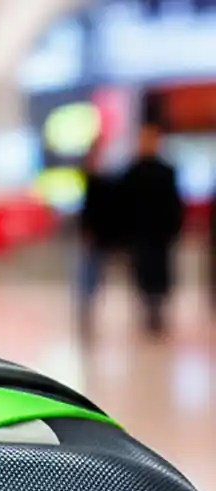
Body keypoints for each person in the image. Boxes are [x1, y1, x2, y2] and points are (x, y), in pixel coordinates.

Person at [120, 124, 184, 336]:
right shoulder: (132, 172)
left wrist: (174, 229)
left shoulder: (166, 171)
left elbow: (175, 204)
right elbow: (124, 206)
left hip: (161, 236)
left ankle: (157, 313)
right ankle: (148, 312)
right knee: (142, 276)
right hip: (139, 236)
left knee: (160, 276)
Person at [75, 139, 125, 334]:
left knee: (94, 276)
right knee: (88, 277)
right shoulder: (90, 181)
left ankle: (89, 310)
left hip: (101, 237)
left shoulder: (104, 183)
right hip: (92, 239)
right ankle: (86, 312)